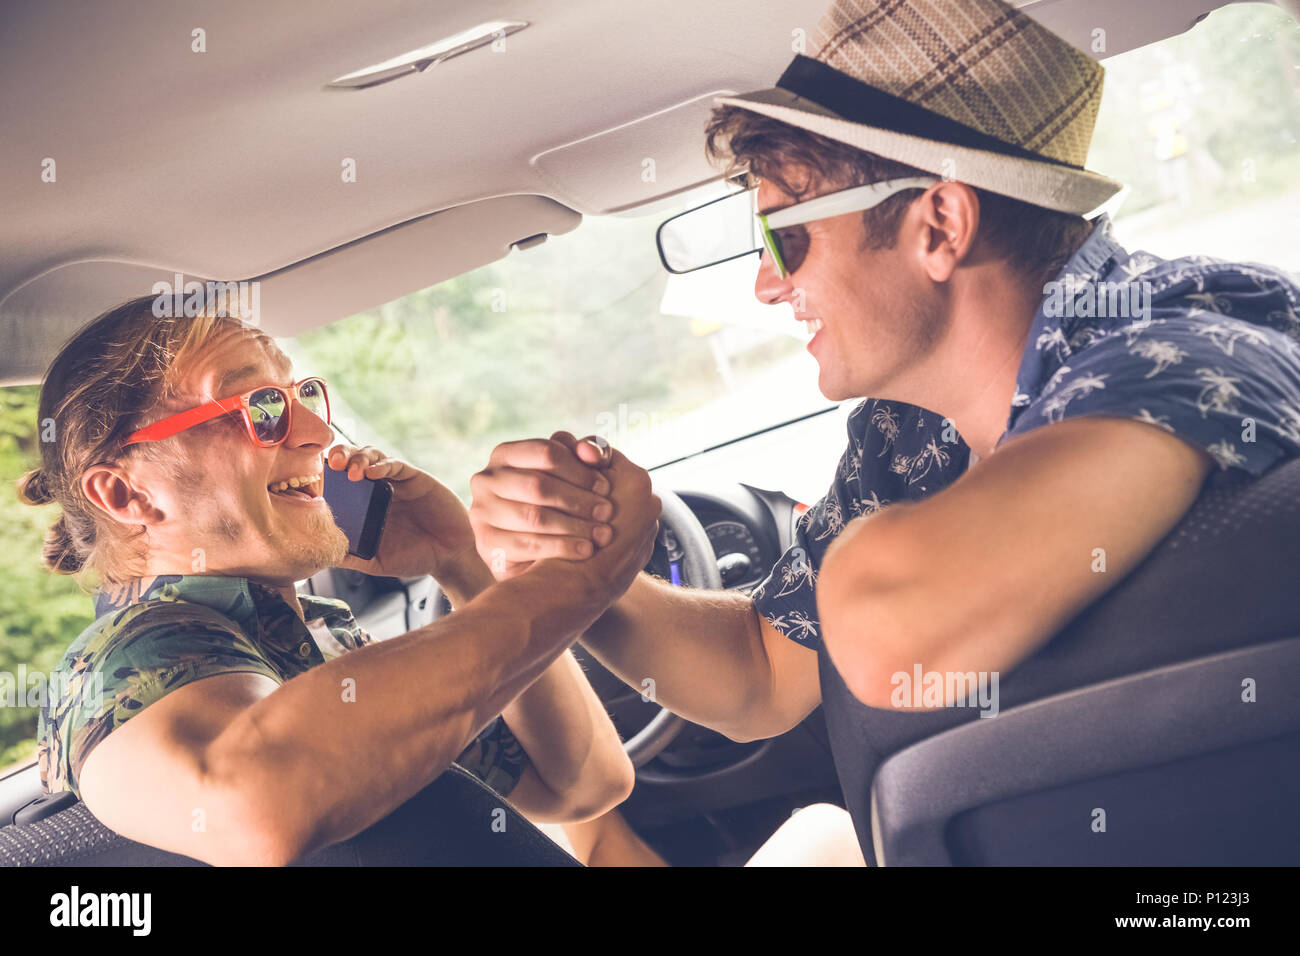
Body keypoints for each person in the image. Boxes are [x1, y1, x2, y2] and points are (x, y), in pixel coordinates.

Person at [467, 0, 1300, 863]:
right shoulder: (901, 436)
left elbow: (881, 624)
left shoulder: (1188, 324)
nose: (764, 283)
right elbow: (761, 675)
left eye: (785, 236)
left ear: (939, 224)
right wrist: (588, 574)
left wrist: (856, 568)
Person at [19, 292, 660, 866]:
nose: (318, 432)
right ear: (126, 493)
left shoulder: (320, 635)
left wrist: (460, 559)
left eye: (298, 395)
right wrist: (572, 585)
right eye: (259, 407)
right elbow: (254, 809)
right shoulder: (121, 661)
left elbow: (582, 784)